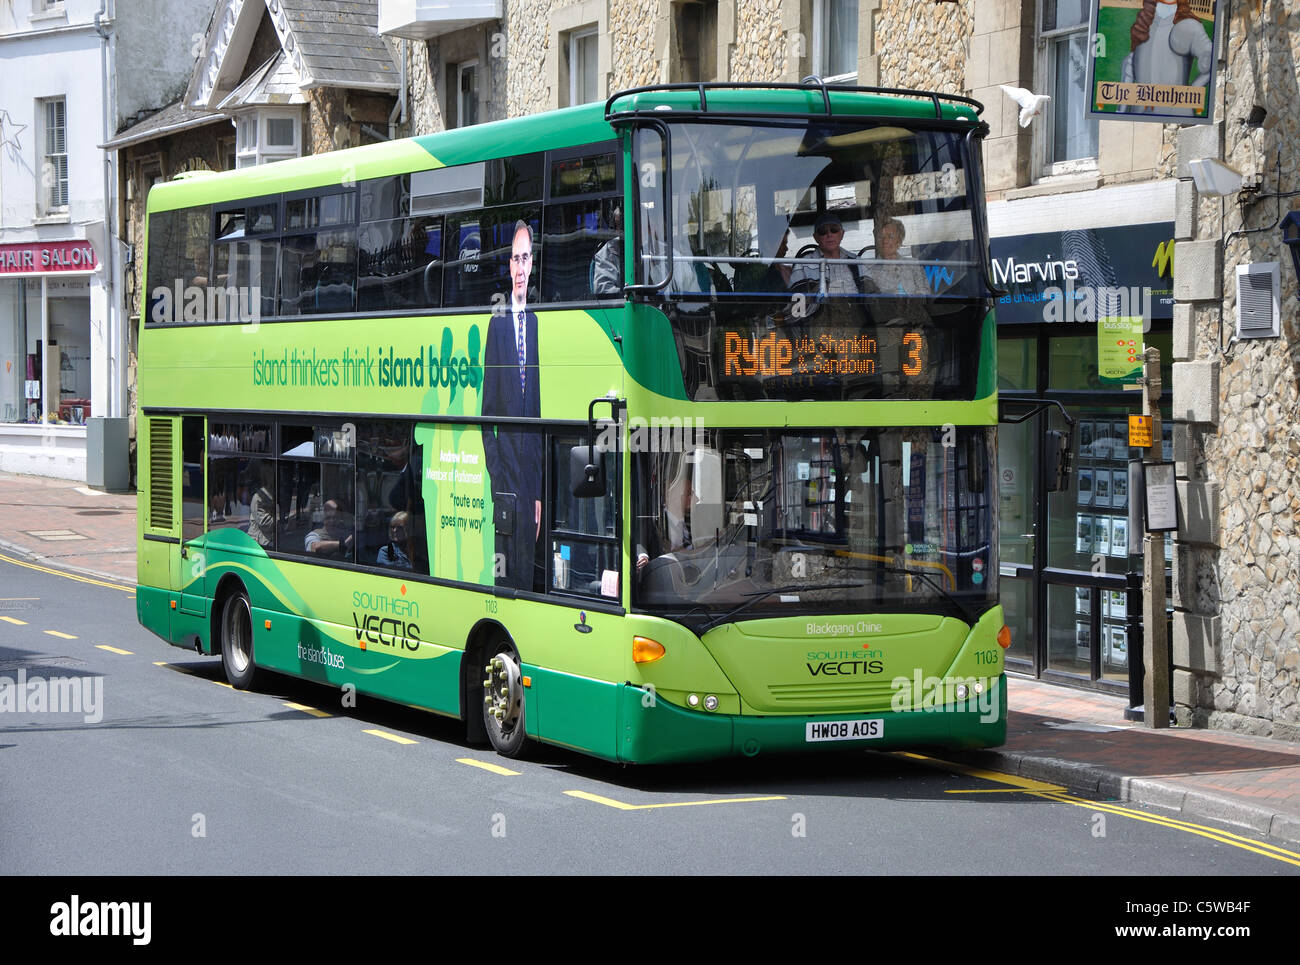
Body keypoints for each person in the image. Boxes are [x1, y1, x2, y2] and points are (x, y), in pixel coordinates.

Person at [481, 220, 544, 591]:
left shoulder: (534, 325)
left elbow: (535, 415)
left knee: (527, 579)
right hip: (505, 482)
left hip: (527, 482)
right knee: (503, 581)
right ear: (509, 265)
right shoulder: (498, 323)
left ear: (532, 263)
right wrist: (498, 479)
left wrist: (535, 492)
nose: (520, 269)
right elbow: (487, 414)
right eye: (514, 259)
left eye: (525, 259)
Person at [1119, 0, 1213, 117]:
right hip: (1140, 115)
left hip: (1176, 115)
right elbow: (1130, 67)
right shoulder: (1143, 24)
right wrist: (1120, 112)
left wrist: (1188, 94)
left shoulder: (1188, 26)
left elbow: (1211, 62)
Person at [591, 206, 623, 295]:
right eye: (618, 225)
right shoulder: (609, 250)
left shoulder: (658, 247)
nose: (620, 230)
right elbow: (603, 290)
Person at [246, 460, 275, 549]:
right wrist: (279, 521)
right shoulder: (259, 496)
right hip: (260, 541)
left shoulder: (272, 492)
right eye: (272, 474)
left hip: (268, 538)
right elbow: (264, 522)